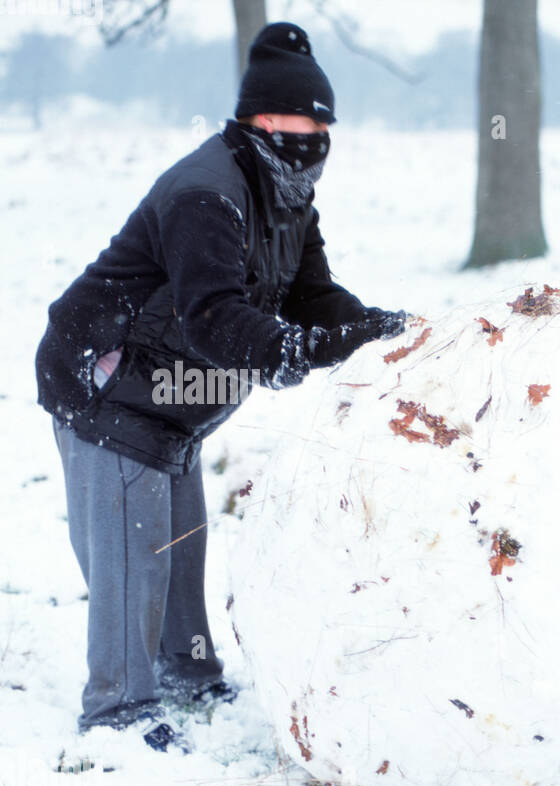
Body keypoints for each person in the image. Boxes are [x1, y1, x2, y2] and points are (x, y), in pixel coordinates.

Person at [36, 22, 406, 749]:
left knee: (181, 541)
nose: (323, 135)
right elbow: (213, 317)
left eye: (329, 122)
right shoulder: (207, 192)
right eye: (312, 120)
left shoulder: (289, 194)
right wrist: (294, 352)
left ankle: (188, 669)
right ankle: (117, 710)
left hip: (173, 398)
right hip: (110, 385)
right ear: (263, 120)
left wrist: (376, 331)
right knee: (132, 554)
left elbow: (311, 297)